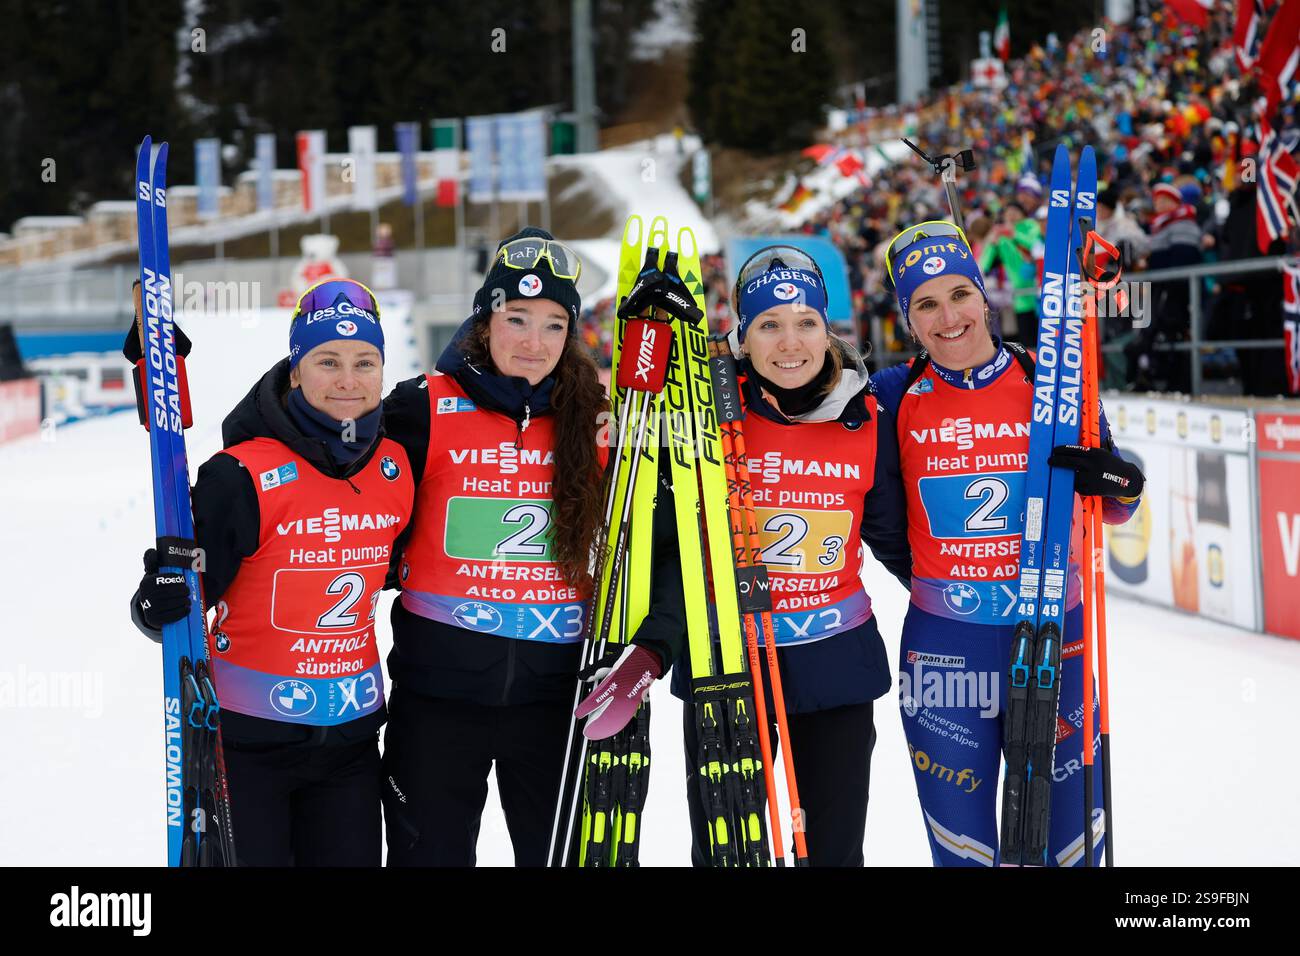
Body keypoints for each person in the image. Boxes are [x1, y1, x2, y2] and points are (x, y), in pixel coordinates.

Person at [378, 227, 682, 866]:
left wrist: (653, 649)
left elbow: (674, 539)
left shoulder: (603, 422)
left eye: (552, 324)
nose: (532, 341)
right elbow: (322, 458)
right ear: (485, 319)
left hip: (557, 706)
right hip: (436, 702)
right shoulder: (421, 408)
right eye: (516, 318)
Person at [873, 221, 1145, 867]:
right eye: (926, 304)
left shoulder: (1053, 380)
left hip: (1060, 638)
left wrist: (1120, 478)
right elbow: (872, 509)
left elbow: (1115, 503)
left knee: (1073, 846)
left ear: (985, 296)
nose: (948, 317)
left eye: (959, 294)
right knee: (962, 851)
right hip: (946, 652)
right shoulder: (890, 395)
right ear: (907, 318)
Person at [130, 277, 414, 866]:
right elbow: (173, 602)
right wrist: (157, 596)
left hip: (353, 741)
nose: (347, 380)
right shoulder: (240, 475)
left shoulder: (396, 467)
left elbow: (403, 566)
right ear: (294, 371)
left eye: (365, 362)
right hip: (248, 741)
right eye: (326, 361)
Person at [661, 245, 914, 866]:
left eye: (806, 322)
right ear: (742, 339)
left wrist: (978, 598)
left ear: (828, 332)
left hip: (834, 662)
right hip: (728, 660)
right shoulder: (705, 414)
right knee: (727, 851)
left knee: (832, 849)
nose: (790, 342)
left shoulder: (869, 418)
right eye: (769, 324)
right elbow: (661, 532)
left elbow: (893, 537)